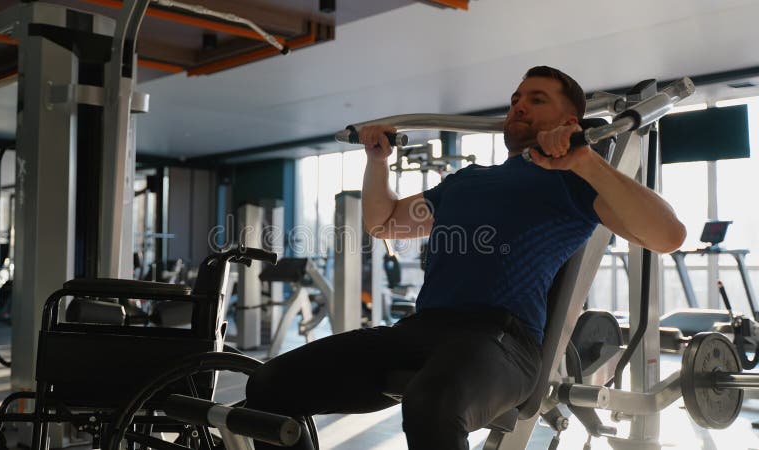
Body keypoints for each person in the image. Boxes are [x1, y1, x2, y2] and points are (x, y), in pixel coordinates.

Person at [245, 66, 686, 450]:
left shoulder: (576, 182)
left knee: (431, 403)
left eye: (537, 99)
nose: (519, 106)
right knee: (269, 384)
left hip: (501, 342)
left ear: (570, 120)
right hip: (420, 331)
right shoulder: (465, 182)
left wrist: (585, 162)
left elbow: (669, 235)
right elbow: (385, 223)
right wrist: (377, 162)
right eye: (516, 99)